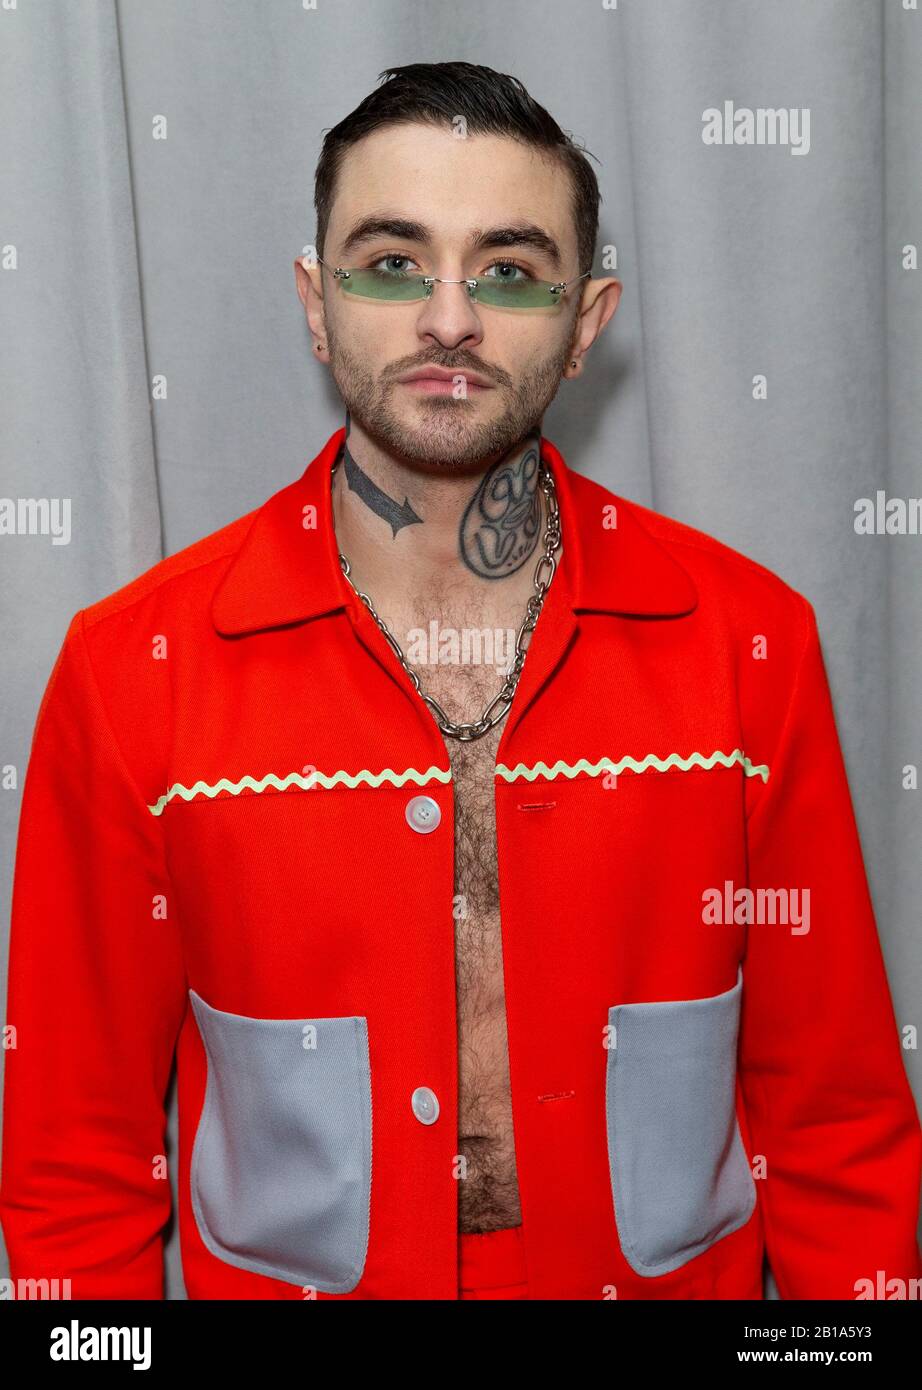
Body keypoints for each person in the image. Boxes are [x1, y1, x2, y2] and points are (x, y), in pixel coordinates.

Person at [1, 61, 919, 1302]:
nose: (448, 319)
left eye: (508, 269)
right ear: (315, 305)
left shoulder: (748, 645)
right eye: (390, 262)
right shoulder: (133, 672)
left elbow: (834, 1130)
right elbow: (73, 1168)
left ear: (586, 322)